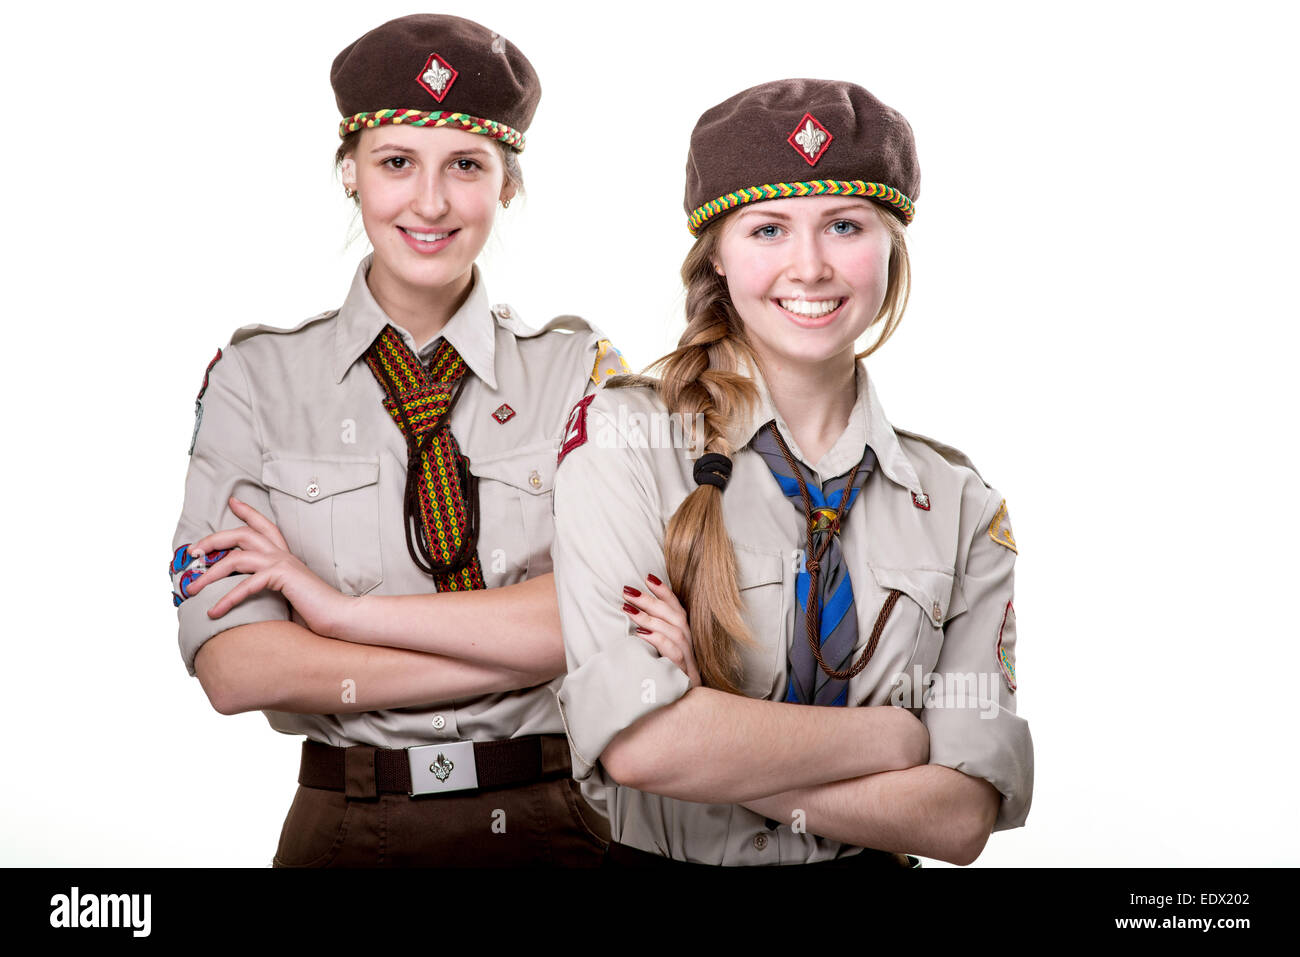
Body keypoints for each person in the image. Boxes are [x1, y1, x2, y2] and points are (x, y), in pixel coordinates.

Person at [169, 13, 625, 867]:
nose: (429, 202)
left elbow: (608, 623)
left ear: (508, 185)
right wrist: (517, 650)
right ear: (349, 172)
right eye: (395, 163)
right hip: (347, 823)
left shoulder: (579, 374)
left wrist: (340, 619)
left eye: (466, 165)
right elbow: (236, 667)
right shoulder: (255, 382)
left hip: (560, 820)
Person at [550, 78, 1033, 866]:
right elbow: (642, 749)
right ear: (717, 253)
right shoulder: (626, 437)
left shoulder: (958, 504)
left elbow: (956, 819)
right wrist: (893, 736)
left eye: (845, 225)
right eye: (769, 229)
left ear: (890, 248)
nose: (809, 268)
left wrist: (710, 724)